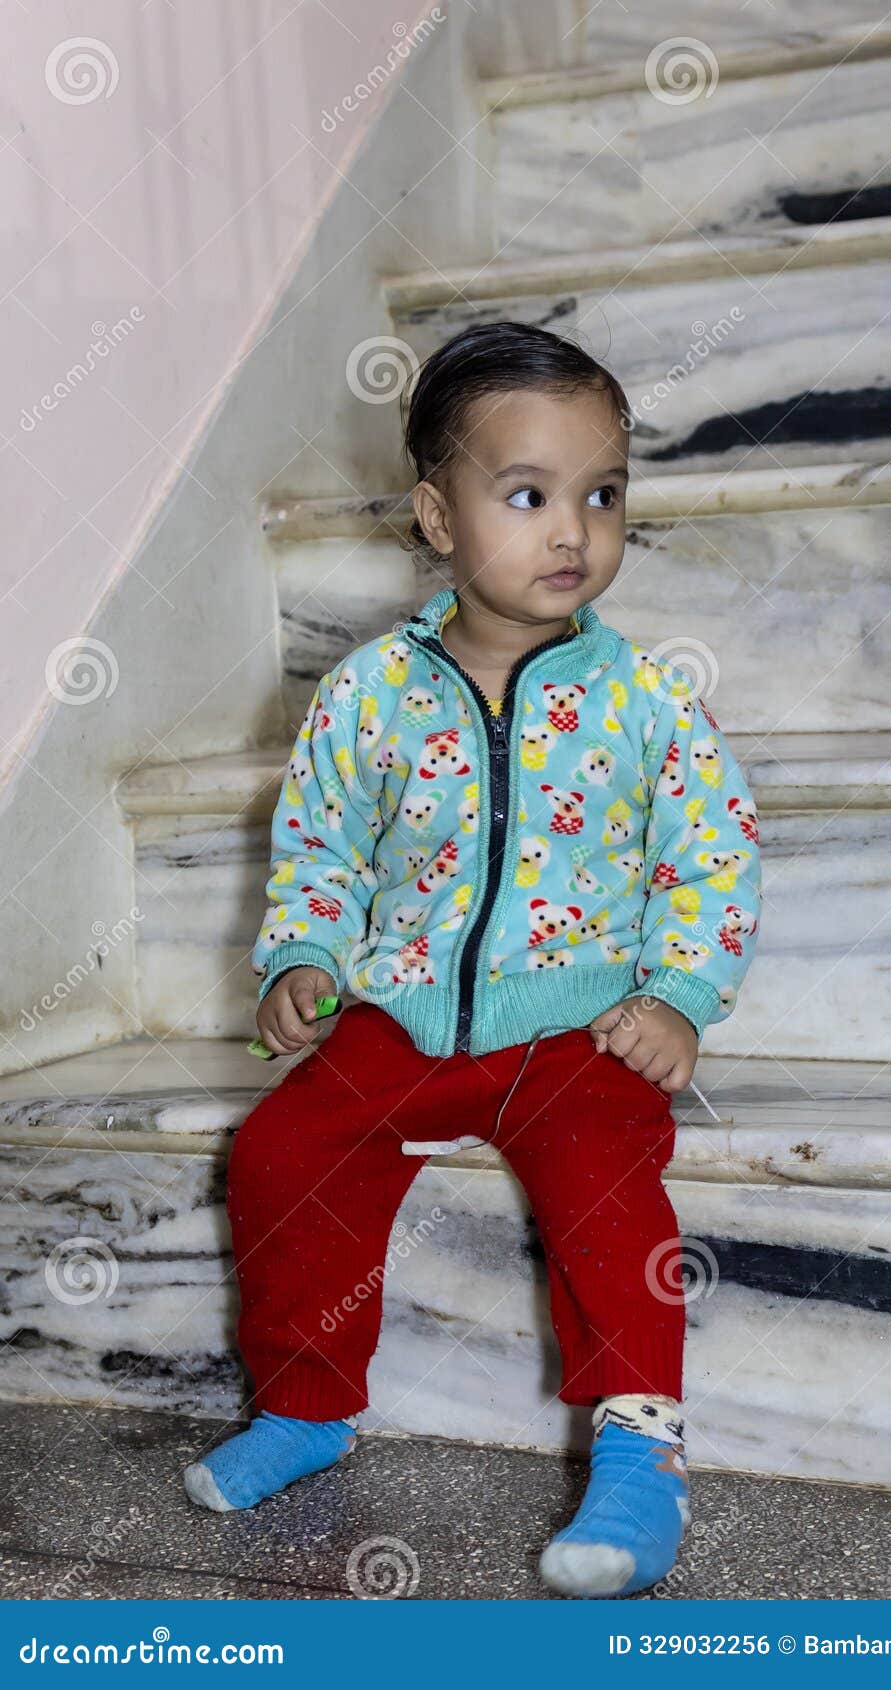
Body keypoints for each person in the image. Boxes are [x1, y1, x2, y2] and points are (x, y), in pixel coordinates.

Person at [183, 321, 762, 1599]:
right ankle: (307, 1404)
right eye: (529, 495)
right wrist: (305, 956)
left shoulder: (642, 698)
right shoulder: (370, 691)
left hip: (576, 1024)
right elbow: (322, 845)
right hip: (403, 1013)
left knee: (606, 1185)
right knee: (282, 1151)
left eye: (601, 495)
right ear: (437, 517)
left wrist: (676, 992)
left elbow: (712, 850)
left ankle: (639, 1444)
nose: (574, 531)